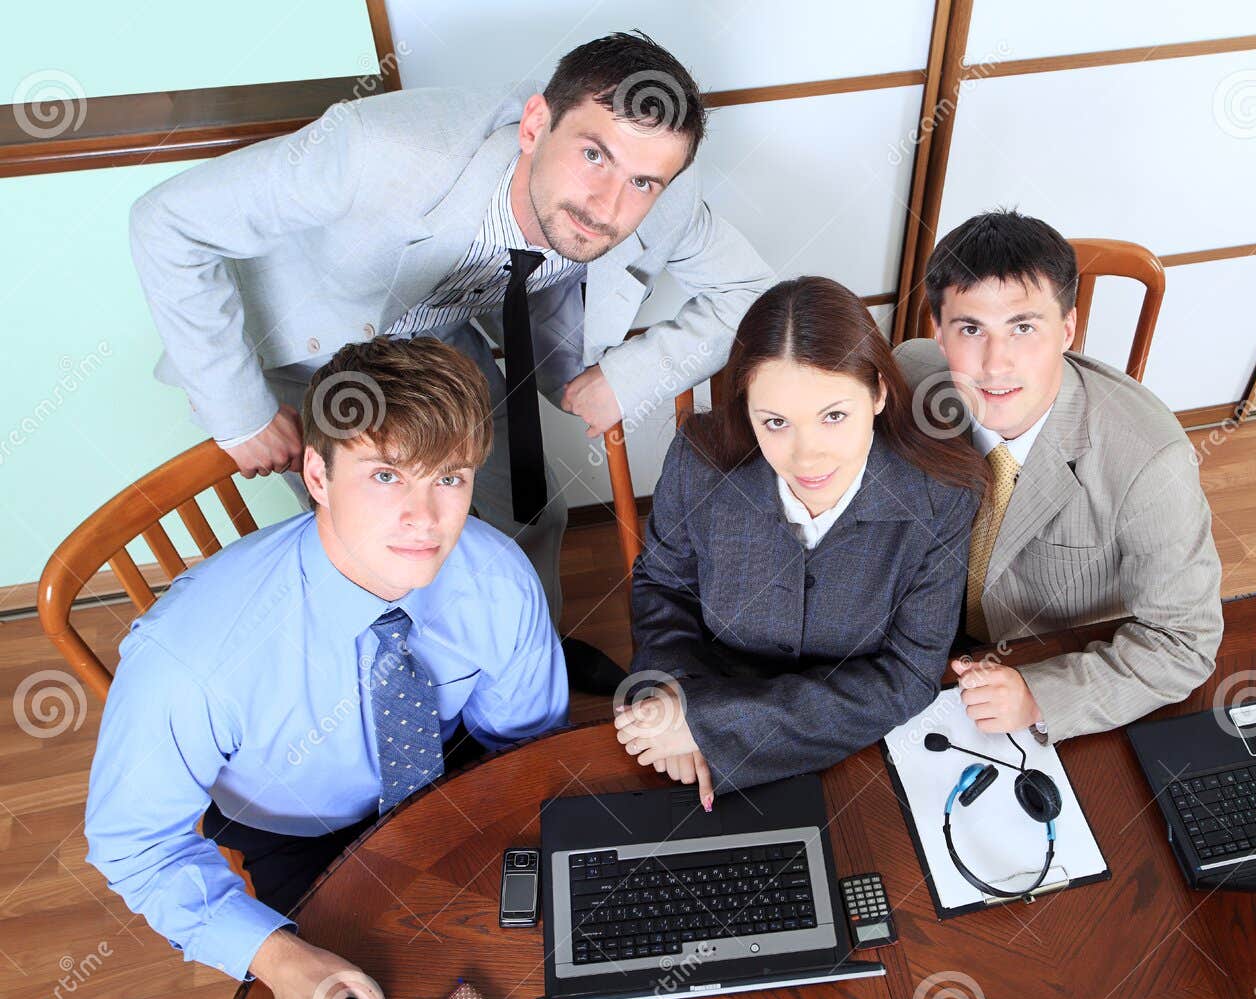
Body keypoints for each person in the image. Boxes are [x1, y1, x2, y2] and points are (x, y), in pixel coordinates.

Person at [128, 31, 776, 695]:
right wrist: (240, 413)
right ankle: (427, 707)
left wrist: (627, 376)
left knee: (530, 517)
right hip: (310, 351)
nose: (608, 204)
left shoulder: (664, 198)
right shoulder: (375, 151)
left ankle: (527, 663)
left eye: (642, 181)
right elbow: (165, 222)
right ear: (533, 125)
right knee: (398, 544)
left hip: (437, 336)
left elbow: (751, 292)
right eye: (592, 155)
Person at [85, 337, 567, 999]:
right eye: (384, 475)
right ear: (317, 471)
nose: (424, 518)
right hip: (299, 835)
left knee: (550, 995)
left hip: (454, 779)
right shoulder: (191, 657)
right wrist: (278, 959)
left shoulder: (495, 577)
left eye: (449, 478)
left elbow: (524, 753)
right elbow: (135, 845)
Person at [613, 277, 986, 805]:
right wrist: (674, 695)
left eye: (834, 415)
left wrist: (711, 724)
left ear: (878, 392)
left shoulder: (941, 494)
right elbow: (664, 588)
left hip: (860, 746)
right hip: (695, 744)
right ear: (745, 409)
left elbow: (908, 674)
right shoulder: (698, 463)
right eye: (775, 422)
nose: (807, 457)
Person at [894, 210, 1223, 739]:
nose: (995, 364)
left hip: (1047, 662)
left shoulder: (1149, 461)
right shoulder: (911, 377)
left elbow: (1184, 641)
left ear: (1068, 329)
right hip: (918, 652)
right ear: (938, 333)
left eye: (1023, 327)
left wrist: (1037, 696)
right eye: (971, 328)